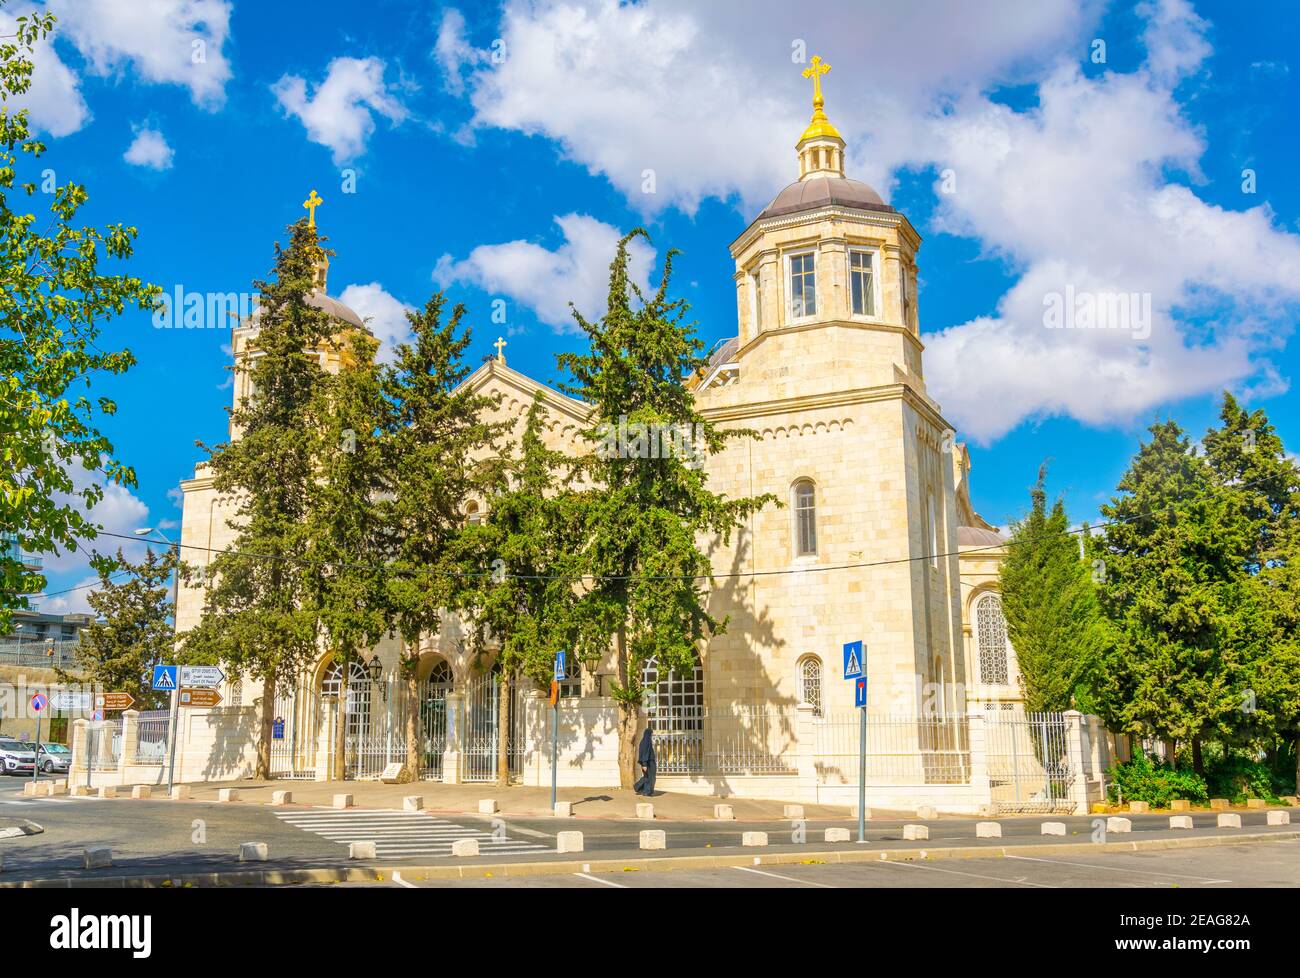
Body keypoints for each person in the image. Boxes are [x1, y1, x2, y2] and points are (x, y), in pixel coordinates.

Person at [633, 725, 656, 796]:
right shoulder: (646, 742)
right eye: (650, 734)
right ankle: (645, 790)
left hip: (647, 762)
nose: (651, 736)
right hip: (648, 763)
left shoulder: (643, 741)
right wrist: (644, 764)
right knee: (650, 777)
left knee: (647, 777)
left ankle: (644, 790)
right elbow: (645, 753)